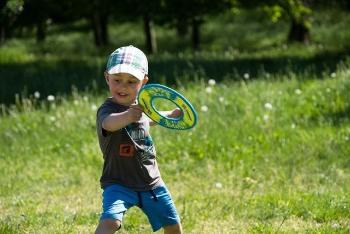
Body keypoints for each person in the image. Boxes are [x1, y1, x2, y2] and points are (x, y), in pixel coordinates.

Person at [94, 45, 183, 234]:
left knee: (173, 225)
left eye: (131, 81)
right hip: (118, 182)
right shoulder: (107, 109)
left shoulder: (141, 107)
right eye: (117, 80)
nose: (123, 86)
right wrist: (128, 116)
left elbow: (150, 119)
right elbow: (108, 124)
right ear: (107, 78)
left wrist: (170, 114)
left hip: (151, 182)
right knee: (111, 221)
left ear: (144, 82)